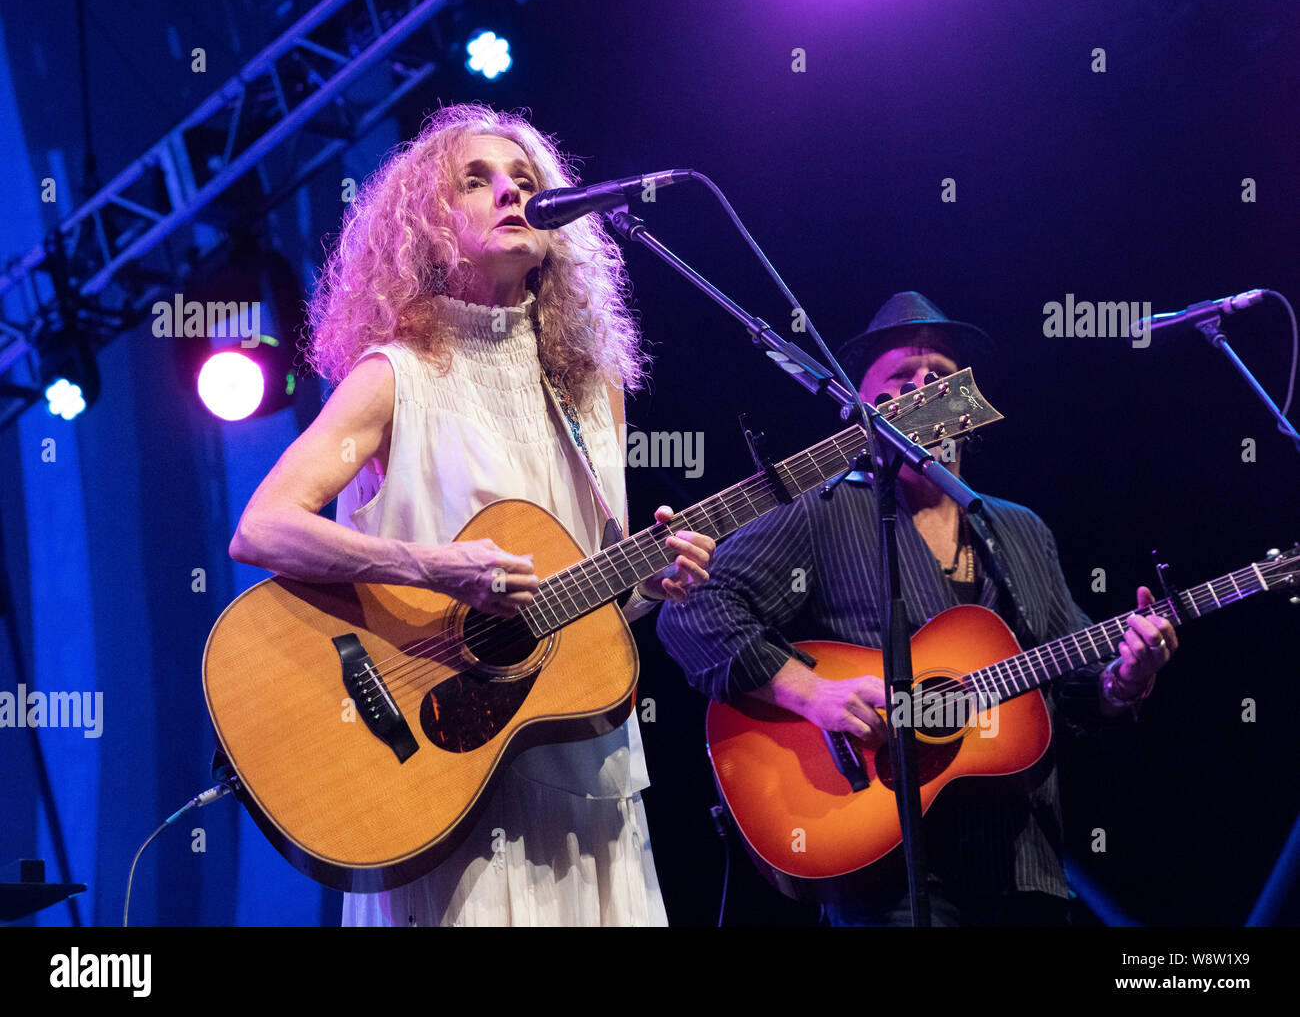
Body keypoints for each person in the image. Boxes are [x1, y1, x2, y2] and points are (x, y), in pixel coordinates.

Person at [228, 103, 714, 926]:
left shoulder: (595, 393)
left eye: (527, 182)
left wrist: (651, 579)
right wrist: (431, 566)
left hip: (580, 771)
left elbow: (587, 598)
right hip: (433, 762)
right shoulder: (393, 378)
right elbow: (261, 528)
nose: (511, 194)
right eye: (478, 181)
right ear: (428, 221)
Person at [656, 291, 1176, 926]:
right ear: (865, 409)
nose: (925, 387)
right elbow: (691, 609)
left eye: (940, 376)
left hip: (1022, 865)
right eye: (903, 377)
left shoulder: (1020, 529)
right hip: (886, 870)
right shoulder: (819, 512)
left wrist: (1124, 682)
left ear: (967, 400)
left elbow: (1070, 686)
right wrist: (811, 693)